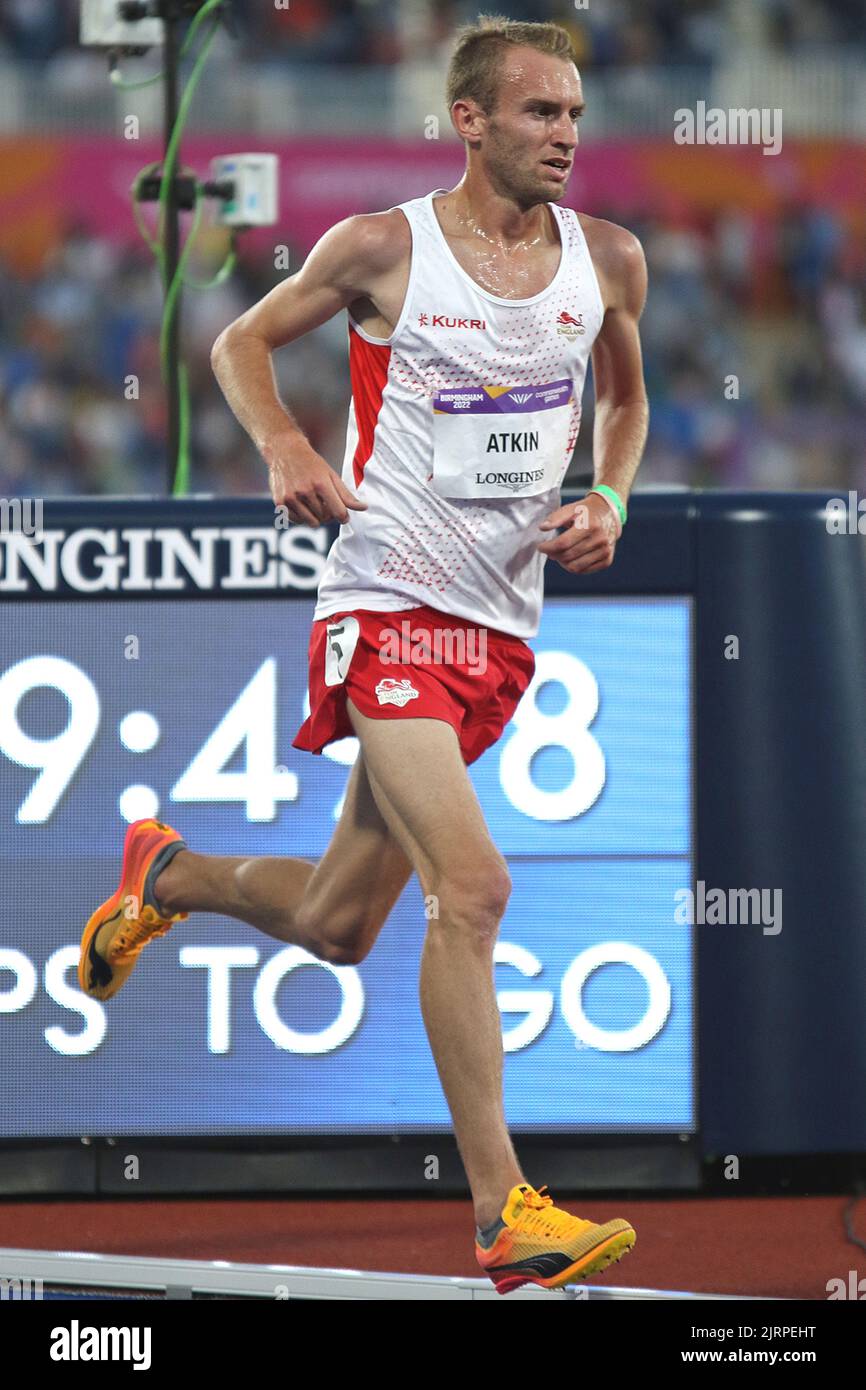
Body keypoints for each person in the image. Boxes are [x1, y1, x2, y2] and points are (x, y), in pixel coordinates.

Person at [78, 14, 649, 1294]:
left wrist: (609, 497)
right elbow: (237, 343)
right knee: (475, 887)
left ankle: (164, 877)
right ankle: (505, 1212)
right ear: (468, 120)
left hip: (497, 627)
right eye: (538, 113)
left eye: (572, 113)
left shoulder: (607, 258)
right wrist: (287, 448)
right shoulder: (381, 247)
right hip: (383, 601)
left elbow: (623, 396)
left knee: (340, 925)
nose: (565, 133)